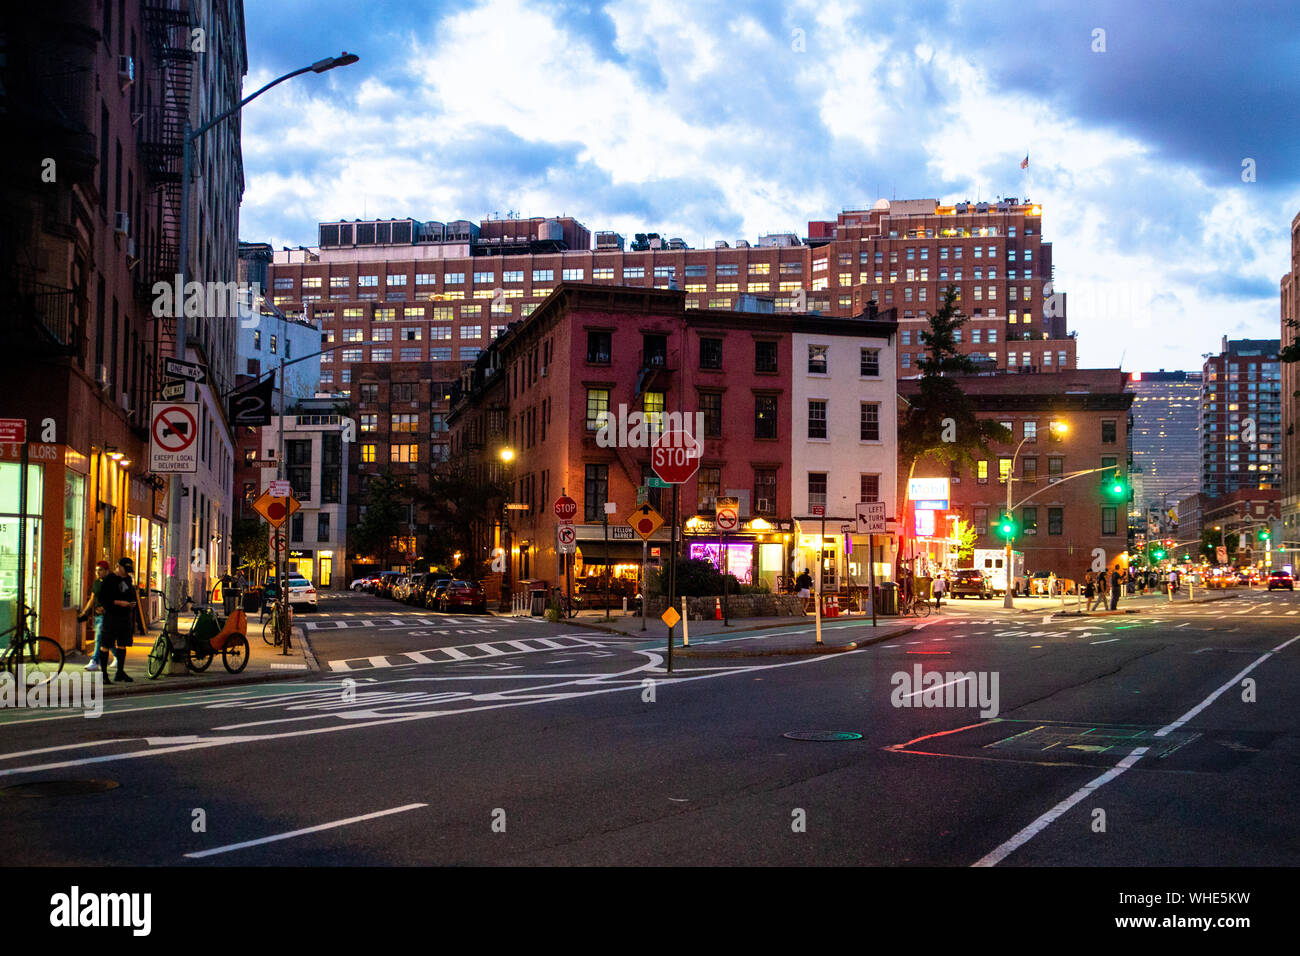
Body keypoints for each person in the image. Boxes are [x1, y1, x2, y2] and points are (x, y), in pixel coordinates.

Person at [97, 557, 138, 682]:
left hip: (124, 617)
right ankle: (104, 674)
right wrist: (120, 602)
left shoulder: (128, 579)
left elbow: (130, 594)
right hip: (111, 616)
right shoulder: (110, 579)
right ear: (119, 567)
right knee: (106, 644)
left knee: (122, 644)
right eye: (125, 570)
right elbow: (103, 599)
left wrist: (131, 603)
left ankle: (120, 672)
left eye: (128, 570)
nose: (126, 573)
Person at [76, 561, 111, 671]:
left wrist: (105, 608)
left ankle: (94, 661)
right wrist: (84, 611)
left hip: (106, 615)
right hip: (97, 615)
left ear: (106, 571)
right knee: (105, 640)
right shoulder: (96, 583)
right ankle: (118, 657)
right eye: (96, 570)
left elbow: (113, 598)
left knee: (98, 638)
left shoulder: (110, 582)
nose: (97, 572)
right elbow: (92, 599)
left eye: (100, 570)